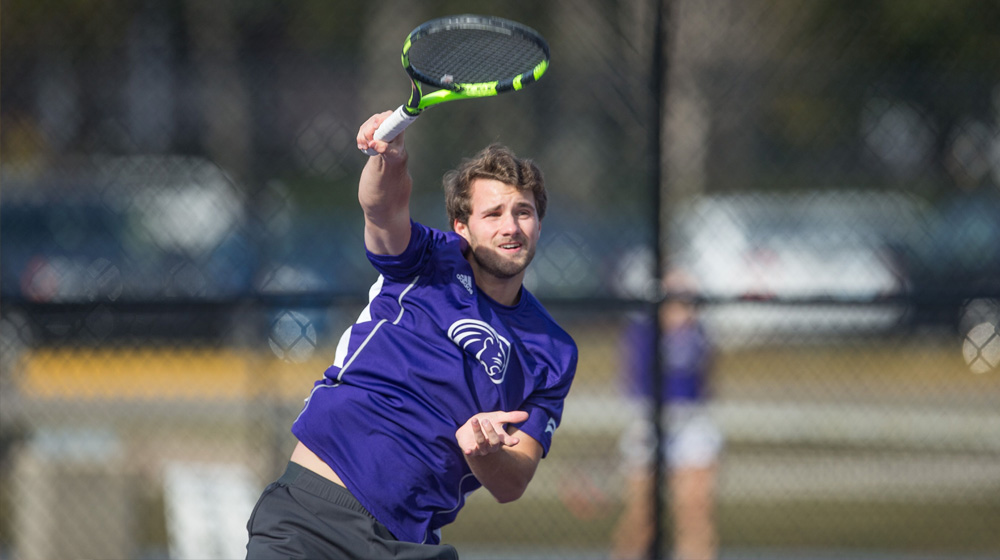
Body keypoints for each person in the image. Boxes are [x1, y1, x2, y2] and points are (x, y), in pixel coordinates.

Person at [245, 110, 578, 560]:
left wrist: (481, 451)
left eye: (524, 212)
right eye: (493, 212)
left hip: (408, 542)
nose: (510, 226)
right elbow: (381, 208)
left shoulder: (553, 350)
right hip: (312, 516)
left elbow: (513, 481)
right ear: (462, 226)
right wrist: (391, 159)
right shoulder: (428, 259)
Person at [611, 270, 723, 560]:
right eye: (678, 300)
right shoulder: (642, 333)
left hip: (692, 425)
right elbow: (634, 386)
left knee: (695, 513)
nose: (686, 308)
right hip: (649, 425)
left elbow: (704, 382)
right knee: (642, 518)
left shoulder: (699, 333)